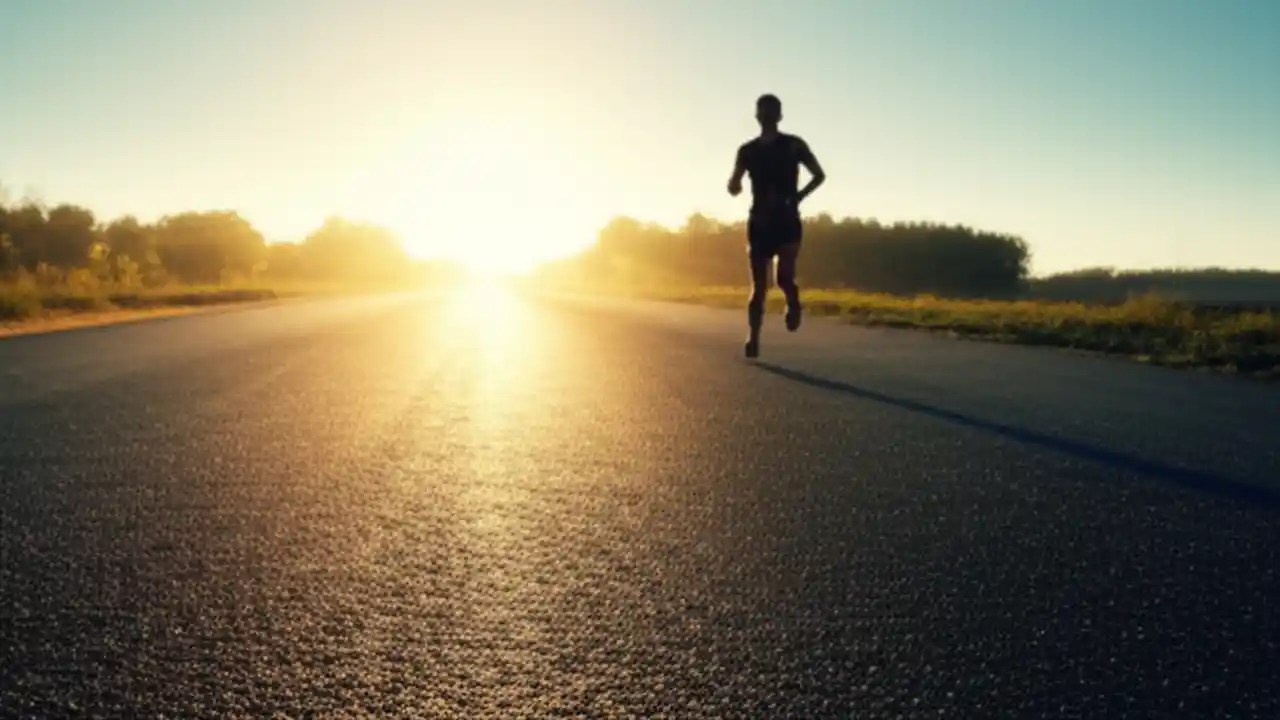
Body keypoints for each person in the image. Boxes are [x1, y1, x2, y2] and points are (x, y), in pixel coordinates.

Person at [728, 93, 825, 358]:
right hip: (761, 222)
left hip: (785, 220)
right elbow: (733, 184)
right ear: (759, 116)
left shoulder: (794, 146)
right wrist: (735, 184)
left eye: (770, 112)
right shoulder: (747, 151)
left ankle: (791, 302)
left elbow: (819, 175)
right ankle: (754, 338)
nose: (768, 117)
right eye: (765, 112)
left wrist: (798, 197)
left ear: (777, 116)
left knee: (779, 279)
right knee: (761, 286)